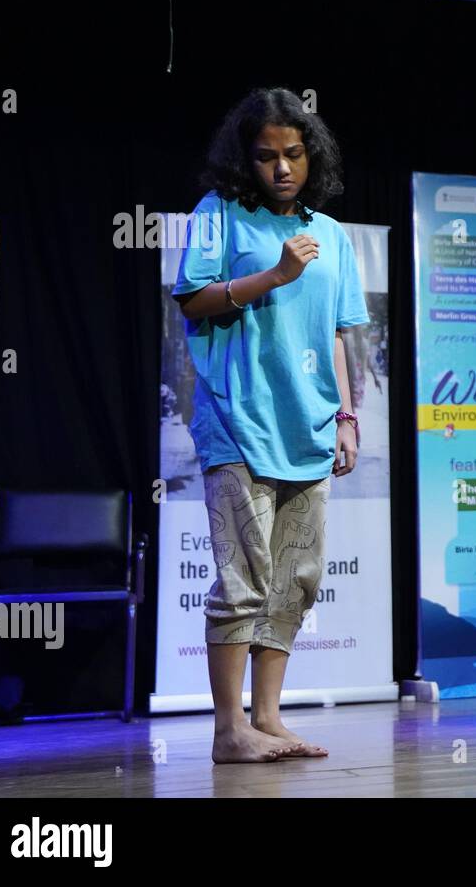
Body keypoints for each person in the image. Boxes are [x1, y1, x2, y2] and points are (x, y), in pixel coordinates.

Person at [172, 88, 369, 762]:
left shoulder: (332, 234)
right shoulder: (215, 215)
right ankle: (229, 732)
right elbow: (194, 301)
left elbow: (341, 334)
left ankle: (268, 718)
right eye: (266, 157)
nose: (282, 169)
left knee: (295, 578)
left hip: (309, 427)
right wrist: (276, 274)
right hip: (237, 423)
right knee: (241, 578)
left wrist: (345, 415)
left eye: (294, 155)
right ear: (243, 158)